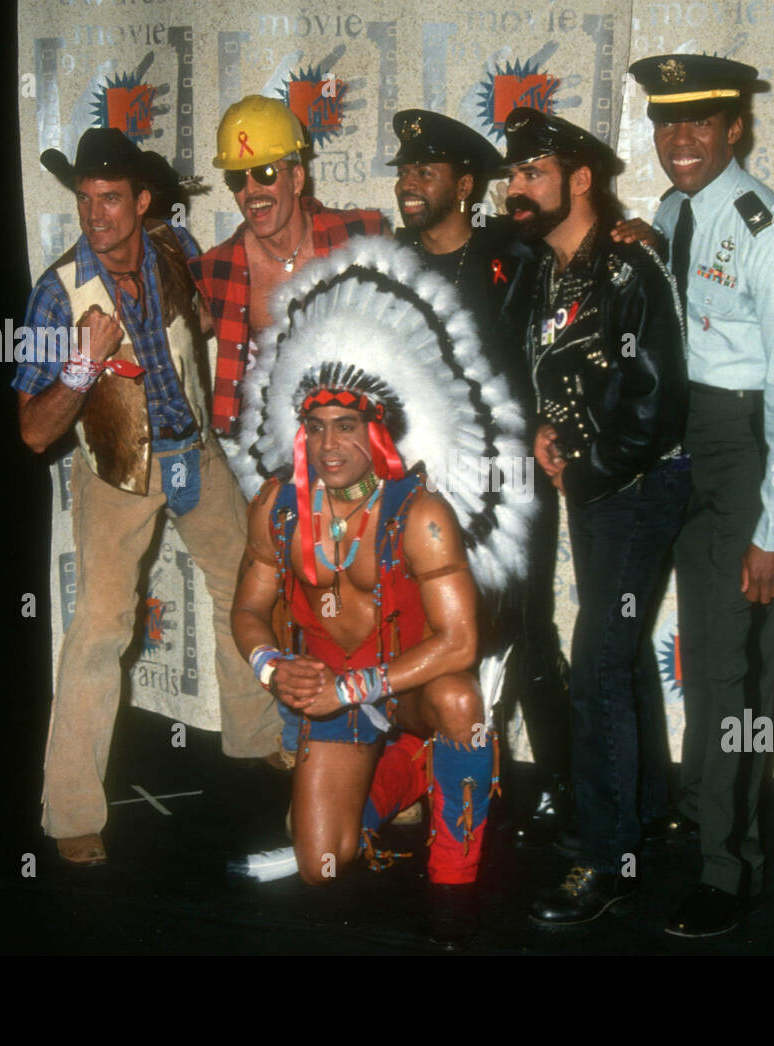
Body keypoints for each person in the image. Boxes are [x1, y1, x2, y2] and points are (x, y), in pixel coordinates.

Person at [228, 239, 537, 948]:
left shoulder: (421, 514)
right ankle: (407, 771)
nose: (328, 444)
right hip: (333, 684)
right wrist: (273, 668)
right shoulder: (277, 505)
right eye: (314, 427)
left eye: (346, 427)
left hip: (404, 680)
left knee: (462, 702)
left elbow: (460, 642)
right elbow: (247, 610)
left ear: (379, 433)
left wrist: (359, 685)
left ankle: (453, 882)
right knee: (322, 866)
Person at [15, 128, 278, 866]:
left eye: (109, 198)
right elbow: (34, 433)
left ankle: (258, 739)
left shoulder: (174, 249)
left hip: (194, 452)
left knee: (247, 589)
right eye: (84, 200)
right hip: (116, 475)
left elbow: (206, 318)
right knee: (101, 631)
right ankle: (69, 813)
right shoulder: (53, 293)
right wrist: (79, 366)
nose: (95, 215)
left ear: (143, 202)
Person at [629, 53, 774, 937]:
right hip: (680, 441)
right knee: (696, 653)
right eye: (667, 122)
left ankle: (731, 865)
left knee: (735, 674)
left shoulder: (772, 238)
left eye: (699, 123)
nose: (680, 139)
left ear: (733, 128)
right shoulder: (675, 211)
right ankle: (703, 807)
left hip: (746, 452)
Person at [497, 108, 690, 926]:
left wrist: (589, 472)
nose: (517, 188)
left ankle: (606, 860)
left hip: (639, 485)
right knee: (621, 648)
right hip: (592, 487)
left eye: (533, 173)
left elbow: (658, 404)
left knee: (600, 664)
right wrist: (542, 429)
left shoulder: (627, 268)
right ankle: (649, 811)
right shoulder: (543, 269)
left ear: (580, 180)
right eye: (514, 174)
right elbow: (538, 368)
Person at [387, 108, 573, 845]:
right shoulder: (391, 260)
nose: (409, 185)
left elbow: (583, 255)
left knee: (523, 628)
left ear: (465, 185)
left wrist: (636, 233)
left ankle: (561, 786)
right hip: (422, 480)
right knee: (426, 623)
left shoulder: (513, 255)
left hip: (508, 477)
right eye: (404, 172)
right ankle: (434, 779)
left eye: (424, 173)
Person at [189, 95, 390, 441]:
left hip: (361, 440)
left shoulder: (362, 235)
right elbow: (163, 335)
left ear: (297, 179)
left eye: (266, 173)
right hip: (266, 452)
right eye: (238, 179)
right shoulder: (216, 269)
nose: (251, 191)